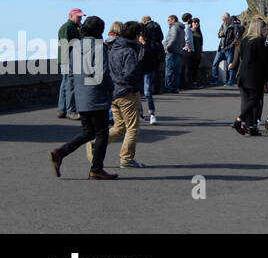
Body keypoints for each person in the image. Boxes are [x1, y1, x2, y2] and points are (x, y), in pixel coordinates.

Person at [49, 16, 116, 180]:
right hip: (97, 96)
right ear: (99, 31)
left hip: (81, 96)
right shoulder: (99, 48)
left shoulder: (76, 46)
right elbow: (103, 74)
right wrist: (112, 91)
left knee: (88, 132)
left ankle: (61, 152)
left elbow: (71, 74)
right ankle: (96, 169)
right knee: (102, 133)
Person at [101, 20, 152, 169]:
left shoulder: (113, 48)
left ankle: (96, 144)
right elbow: (132, 71)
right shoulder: (129, 51)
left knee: (119, 127)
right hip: (127, 93)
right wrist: (142, 47)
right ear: (137, 35)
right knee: (132, 127)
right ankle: (127, 159)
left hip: (114, 92)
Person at [233, 20, 268, 135]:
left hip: (242, 73)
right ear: (260, 28)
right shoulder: (260, 41)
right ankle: (239, 120)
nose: (266, 30)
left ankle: (251, 127)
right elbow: (264, 60)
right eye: (264, 28)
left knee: (247, 101)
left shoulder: (245, 40)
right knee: (255, 100)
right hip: (254, 75)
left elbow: (243, 57)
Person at [57, 9, 84, 120]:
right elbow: (64, 44)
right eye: (78, 17)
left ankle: (62, 109)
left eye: (81, 17)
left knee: (65, 84)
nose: (80, 19)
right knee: (70, 85)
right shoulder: (67, 27)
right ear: (71, 16)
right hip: (68, 59)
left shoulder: (72, 27)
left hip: (67, 59)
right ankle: (71, 111)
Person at [163, 14, 185, 93]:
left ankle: (168, 87)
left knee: (169, 70)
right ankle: (175, 88)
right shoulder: (181, 28)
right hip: (178, 51)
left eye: (169, 20)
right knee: (176, 71)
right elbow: (183, 41)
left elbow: (173, 37)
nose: (167, 21)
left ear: (173, 20)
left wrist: (167, 47)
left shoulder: (174, 27)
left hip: (171, 51)